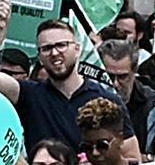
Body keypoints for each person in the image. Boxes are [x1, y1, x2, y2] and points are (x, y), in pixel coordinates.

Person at [19, 19, 119, 157]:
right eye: (46, 48)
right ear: (39, 57)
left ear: (77, 49)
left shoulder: (106, 98)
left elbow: (131, 157)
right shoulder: (29, 94)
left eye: (61, 45)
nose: (54, 53)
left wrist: (96, 162)